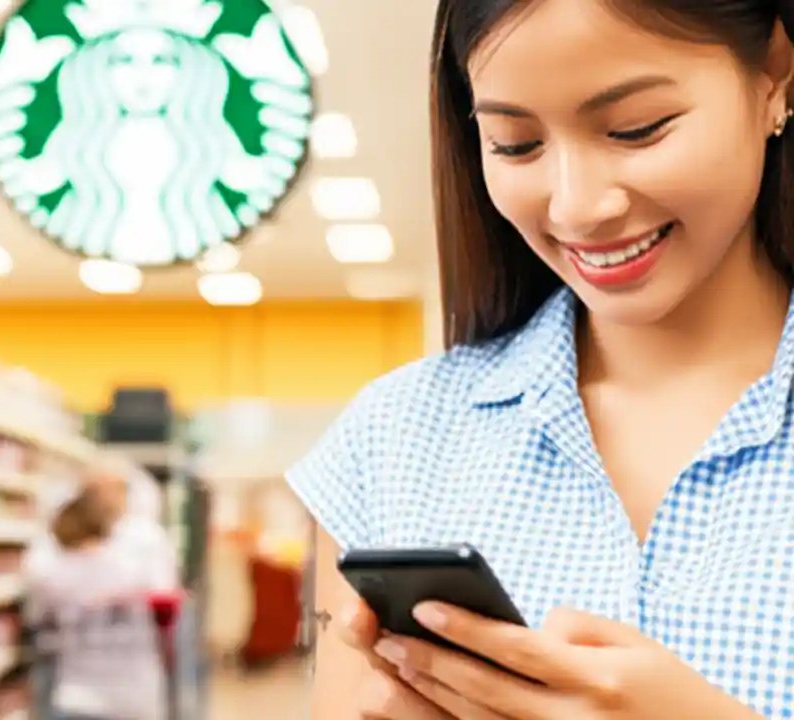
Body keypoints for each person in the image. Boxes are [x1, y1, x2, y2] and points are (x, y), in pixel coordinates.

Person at [287, 1, 794, 718]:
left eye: (636, 129)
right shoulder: (394, 438)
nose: (578, 207)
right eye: (516, 144)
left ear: (774, 72)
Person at [25, 482, 168, 720]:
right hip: (136, 696)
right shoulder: (135, 564)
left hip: (78, 696)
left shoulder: (51, 574)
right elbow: (164, 605)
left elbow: (36, 618)